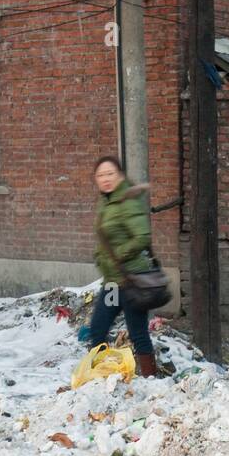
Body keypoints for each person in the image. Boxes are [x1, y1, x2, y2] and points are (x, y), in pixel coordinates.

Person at [85, 155, 159, 377]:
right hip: (113, 284)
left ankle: (151, 377)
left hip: (132, 280)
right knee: (98, 329)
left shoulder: (128, 201)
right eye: (100, 175)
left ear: (120, 176)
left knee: (137, 333)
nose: (105, 179)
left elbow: (143, 236)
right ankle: (101, 375)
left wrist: (118, 254)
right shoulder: (106, 202)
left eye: (110, 174)